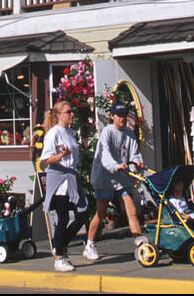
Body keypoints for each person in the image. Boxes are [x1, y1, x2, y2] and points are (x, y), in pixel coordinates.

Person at [84, 103, 147, 259]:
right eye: (119, 116)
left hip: (122, 178)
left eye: (124, 116)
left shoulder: (129, 133)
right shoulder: (107, 132)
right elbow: (104, 154)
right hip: (105, 178)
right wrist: (116, 165)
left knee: (132, 211)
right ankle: (90, 244)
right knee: (101, 213)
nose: (122, 118)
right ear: (112, 116)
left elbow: (135, 153)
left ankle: (141, 245)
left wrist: (137, 162)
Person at [40, 100, 87, 272]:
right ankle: (59, 258)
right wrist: (62, 155)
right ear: (60, 115)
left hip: (72, 178)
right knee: (64, 219)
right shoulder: (53, 134)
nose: (72, 114)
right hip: (60, 181)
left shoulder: (70, 133)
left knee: (82, 214)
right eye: (69, 112)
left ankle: (60, 245)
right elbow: (45, 160)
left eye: (72, 111)